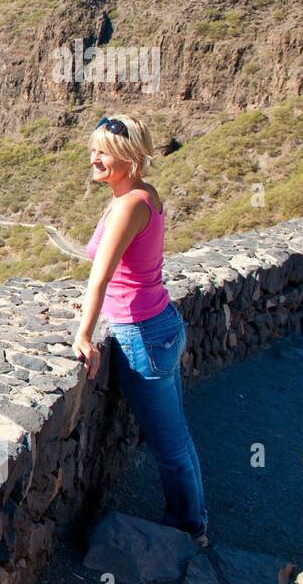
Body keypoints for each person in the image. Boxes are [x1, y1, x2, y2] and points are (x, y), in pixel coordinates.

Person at [73, 113, 209, 546]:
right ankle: (193, 517)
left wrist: (84, 333)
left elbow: (101, 276)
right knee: (177, 436)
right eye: (93, 149)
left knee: (169, 444)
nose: (94, 158)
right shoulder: (142, 194)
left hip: (142, 334)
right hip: (159, 323)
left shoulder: (130, 204)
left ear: (129, 158)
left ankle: (191, 528)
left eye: (104, 152)